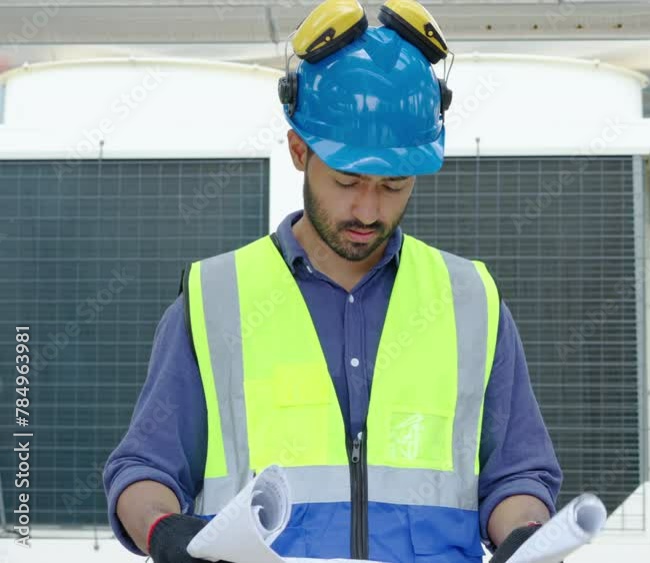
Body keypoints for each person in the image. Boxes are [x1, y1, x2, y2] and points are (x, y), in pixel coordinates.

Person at [101, 1, 562, 561]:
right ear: (300, 151)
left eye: (394, 186)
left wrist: (526, 536)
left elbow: (517, 477)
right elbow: (142, 471)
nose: (368, 210)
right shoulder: (216, 301)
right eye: (347, 181)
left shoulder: (471, 302)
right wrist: (162, 530)